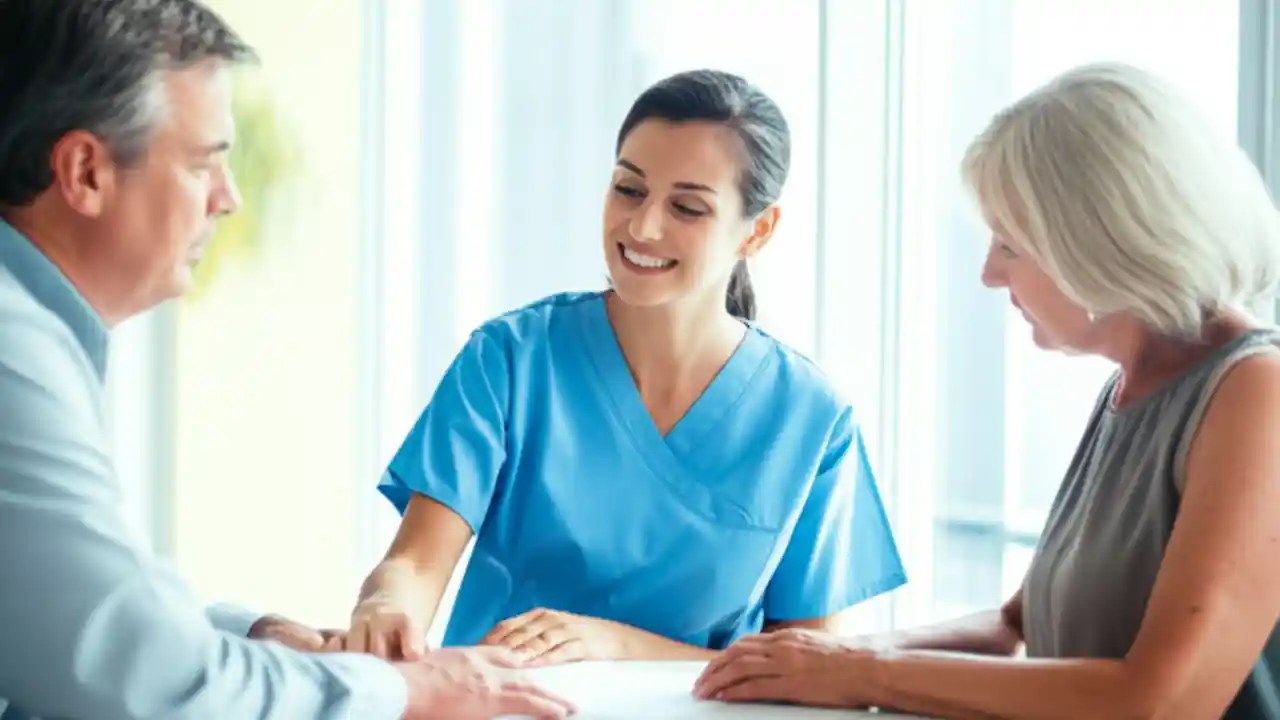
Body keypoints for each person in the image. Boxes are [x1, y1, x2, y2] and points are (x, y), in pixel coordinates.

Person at [0, 1, 572, 718]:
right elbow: (141, 684)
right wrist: (404, 691)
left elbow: (65, 612)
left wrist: (257, 639)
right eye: (205, 164)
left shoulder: (34, 335)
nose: (229, 198)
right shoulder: (13, 352)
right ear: (85, 171)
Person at [695, 62, 1280, 719]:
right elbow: (1012, 629)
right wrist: (814, 659)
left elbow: (1161, 700)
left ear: (1099, 240)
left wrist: (861, 672)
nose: (989, 274)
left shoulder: (1258, 391)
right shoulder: (1130, 388)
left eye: (1009, 244)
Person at [333, 69, 907, 666]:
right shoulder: (512, 358)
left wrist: (618, 645)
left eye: (687, 207)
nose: (642, 227)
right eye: (629, 190)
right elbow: (417, 562)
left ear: (757, 231)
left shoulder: (811, 419)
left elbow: (808, 667)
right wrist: (387, 605)